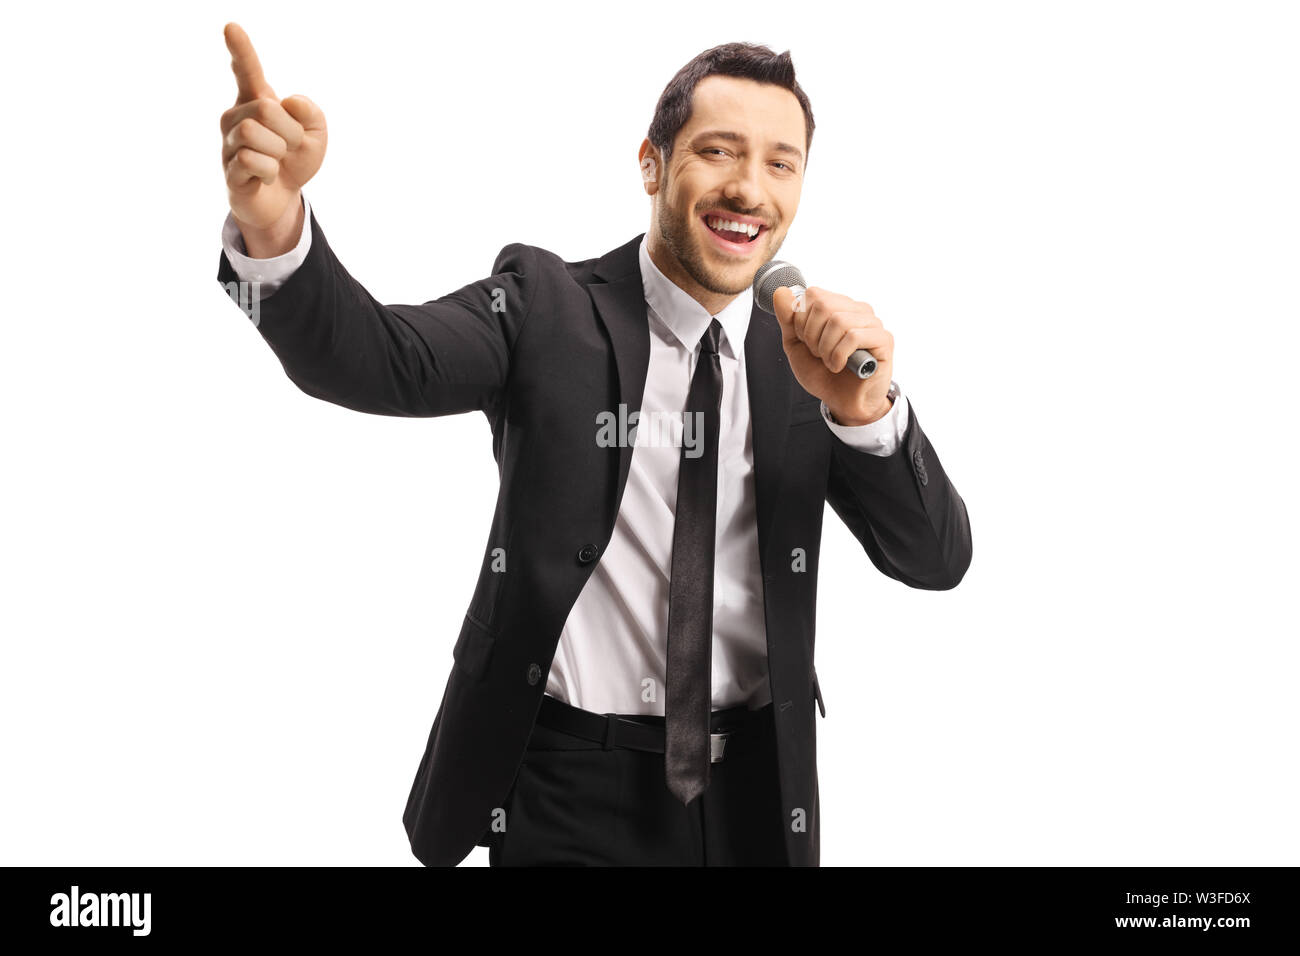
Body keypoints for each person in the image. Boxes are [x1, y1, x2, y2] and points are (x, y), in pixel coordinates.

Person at [215, 21, 973, 866]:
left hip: (758, 792)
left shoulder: (808, 357)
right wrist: (274, 227)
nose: (748, 188)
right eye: (718, 151)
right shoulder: (546, 308)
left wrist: (868, 412)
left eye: (780, 163)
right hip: (567, 784)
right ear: (652, 163)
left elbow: (935, 560)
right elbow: (375, 360)